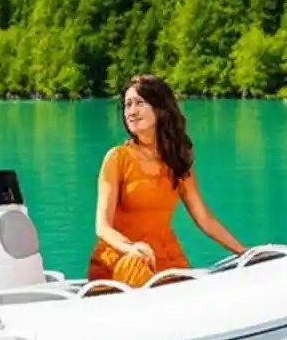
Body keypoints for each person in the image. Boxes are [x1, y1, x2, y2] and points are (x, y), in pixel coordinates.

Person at [87, 74, 247, 287]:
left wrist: (244, 252)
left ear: (160, 109)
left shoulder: (177, 161)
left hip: (164, 257)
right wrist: (131, 248)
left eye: (139, 103)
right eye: (127, 105)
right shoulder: (117, 158)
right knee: (139, 270)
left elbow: (204, 219)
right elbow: (102, 227)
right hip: (121, 259)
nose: (131, 111)